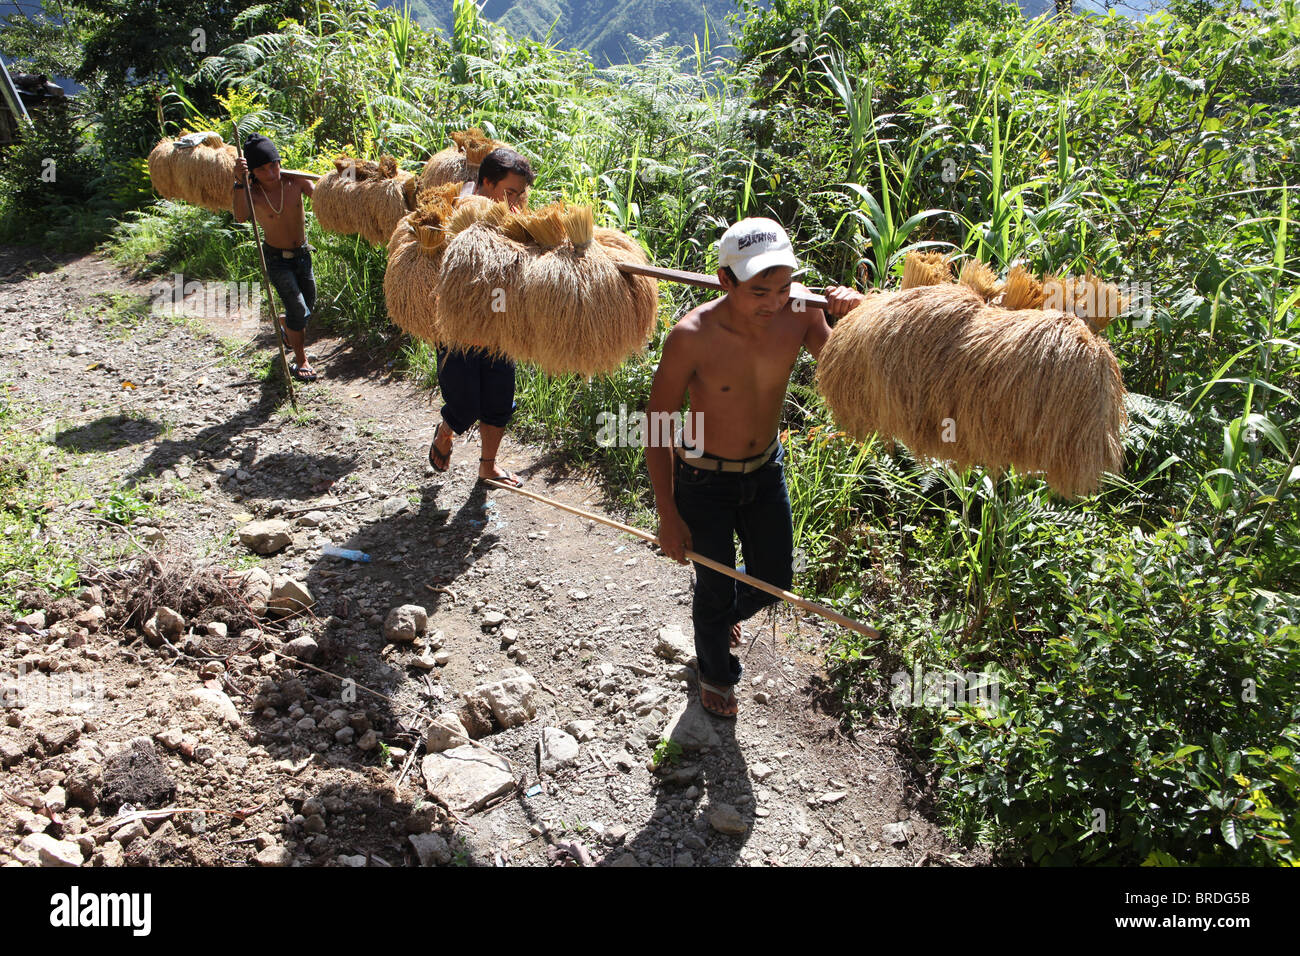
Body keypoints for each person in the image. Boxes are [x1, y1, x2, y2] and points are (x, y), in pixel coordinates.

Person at [645, 218, 833, 718]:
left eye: (784, 286)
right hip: (702, 479)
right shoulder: (692, 335)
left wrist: (855, 314)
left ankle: (720, 612)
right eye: (759, 290)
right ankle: (715, 671)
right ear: (726, 281)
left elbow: (843, 369)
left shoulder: (802, 313)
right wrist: (668, 512)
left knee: (774, 576)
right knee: (714, 584)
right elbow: (657, 425)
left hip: (765, 469)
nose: (774, 301)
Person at [427, 147, 534, 487]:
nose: (516, 200)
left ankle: (488, 466)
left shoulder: (510, 216)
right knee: (465, 404)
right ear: (487, 182)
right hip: (459, 328)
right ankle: (446, 431)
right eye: (511, 191)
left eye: (521, 193)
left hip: (498, 323)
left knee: (500, 402)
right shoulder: (456, 211)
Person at [233, 134, 319, 381]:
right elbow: (240, 216)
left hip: (303, 254)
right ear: (254, 173)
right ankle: (301, 360)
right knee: (298, 309)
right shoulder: (252, 193)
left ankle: (285, 325)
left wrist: (347, 182)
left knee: (306, 307)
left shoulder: (296, 182)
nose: (271, 173)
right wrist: (239, 181)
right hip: (276, 260)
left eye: (274, 165)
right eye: (262, 169)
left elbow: (320, 196)